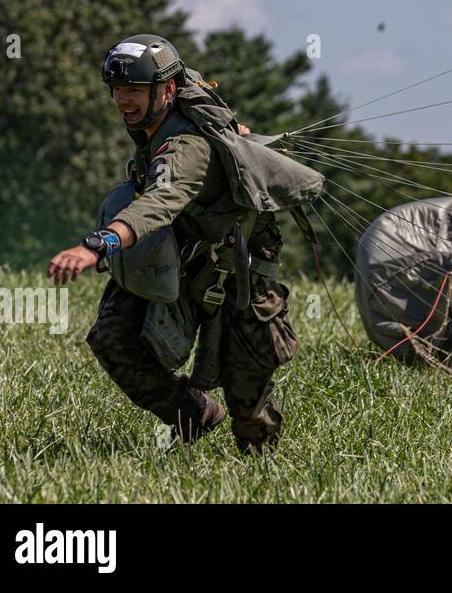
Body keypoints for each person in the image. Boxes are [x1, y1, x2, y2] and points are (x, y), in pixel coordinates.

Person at [46, 35, 307, 454]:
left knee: (249, 405)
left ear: (166, 91)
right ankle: (192, 412)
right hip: (184, 253)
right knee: (114, 337)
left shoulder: (186, 146)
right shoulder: (160, 113)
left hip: (240, 267)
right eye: (117, 89)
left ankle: (262, 476)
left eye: (134, 90)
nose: (122, 101)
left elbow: (159, 201)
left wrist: (99, 244)